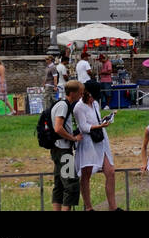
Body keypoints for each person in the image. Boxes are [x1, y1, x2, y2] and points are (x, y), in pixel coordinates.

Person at [74, 80, 118, 211]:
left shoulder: (94, 104)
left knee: (110, 171)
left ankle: (113, 207)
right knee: (86, 173)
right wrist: (100, 125)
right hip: (88, 141)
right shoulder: (79, 107)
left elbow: (95, 120)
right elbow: (83, 127)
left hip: (100, 139)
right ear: (86, 93)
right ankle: (88, 207)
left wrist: (104, 120)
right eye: (92, 95)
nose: (93, 98)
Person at [50, 80, 83, 211]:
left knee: (59, 184)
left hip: (57, 149)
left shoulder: (60, 104)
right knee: (71, 185)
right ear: (73, 93)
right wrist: (73, 138)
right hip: (63, 150)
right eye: (80, 93)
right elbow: (58, 128)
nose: (81, 96)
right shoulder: (64, 106)